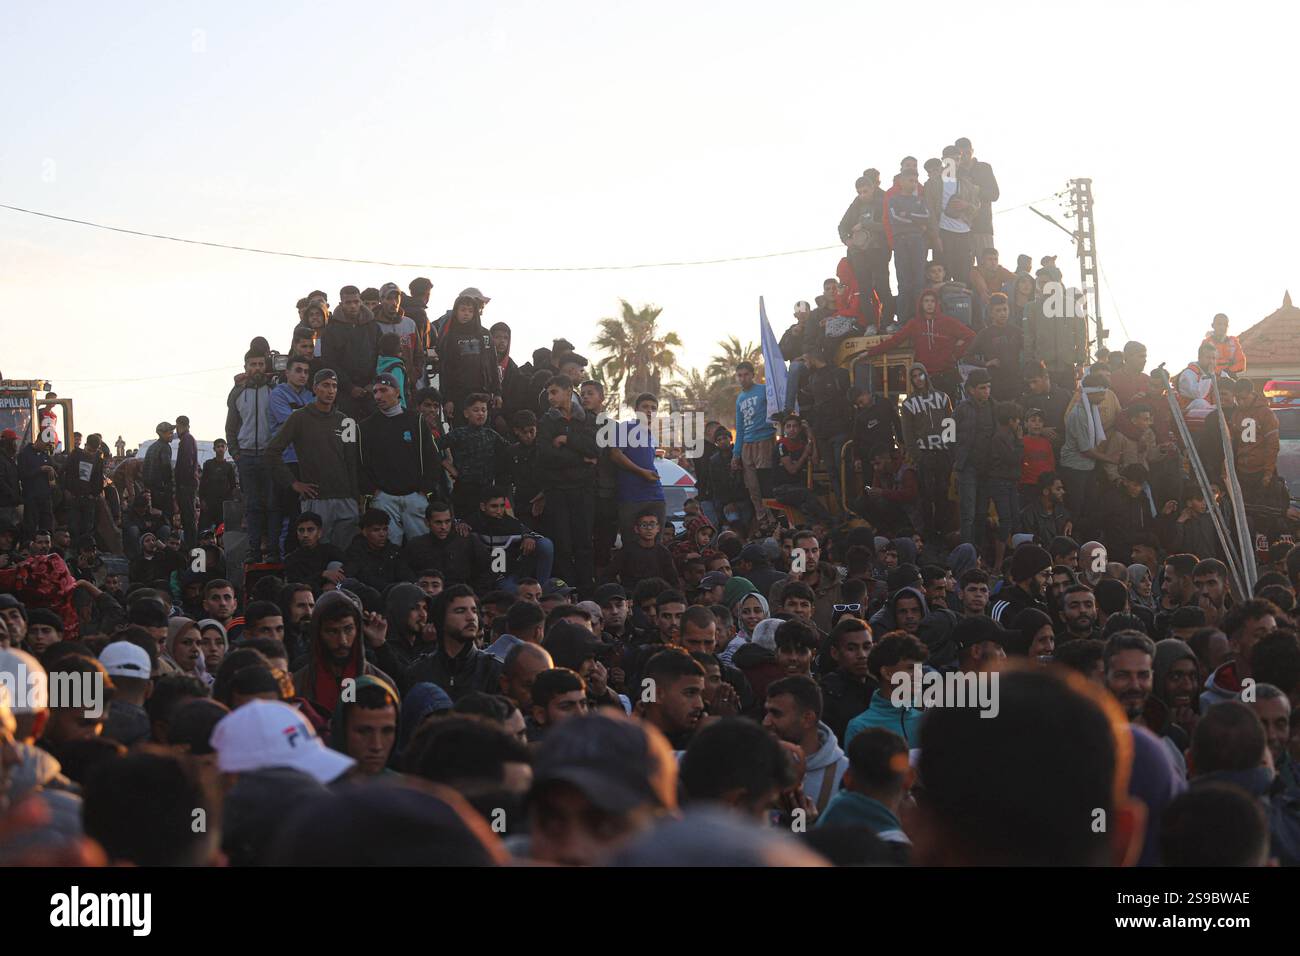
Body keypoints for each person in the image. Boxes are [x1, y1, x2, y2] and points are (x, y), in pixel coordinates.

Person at [264, 369, 361, 551]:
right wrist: (293, 483)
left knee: (346, 555)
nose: (330, 390)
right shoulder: (299, 417)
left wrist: (356, 497)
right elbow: (271, 452)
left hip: (345, 500)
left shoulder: (346, 421)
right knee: (317, 554)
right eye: (325, 385)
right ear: (315, 389)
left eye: (334, 386)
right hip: (316, 499)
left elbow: (352, 461)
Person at [359, 373, 443, 546]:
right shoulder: (366, 426)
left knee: (421, 546)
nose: (378, 396)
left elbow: (432, 457)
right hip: (384, 498)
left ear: (397, 392)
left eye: (383, 390)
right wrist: (373, 492)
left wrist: (424, 490)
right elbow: (360, 463)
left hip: (414, 496)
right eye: (375, 392)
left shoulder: (416, 421)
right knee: (388, 548)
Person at [731, 362, 775, 534]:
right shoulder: (740, 399)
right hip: (746, 445)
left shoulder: (764, 390)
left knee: (765, 483)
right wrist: (736, 455)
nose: (743, 378)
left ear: (753, 374)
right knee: (752, 487)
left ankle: (773, 519)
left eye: (746, 374)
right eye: (739, 375)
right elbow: (740, 428)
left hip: (764, 440)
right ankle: (762, 520)